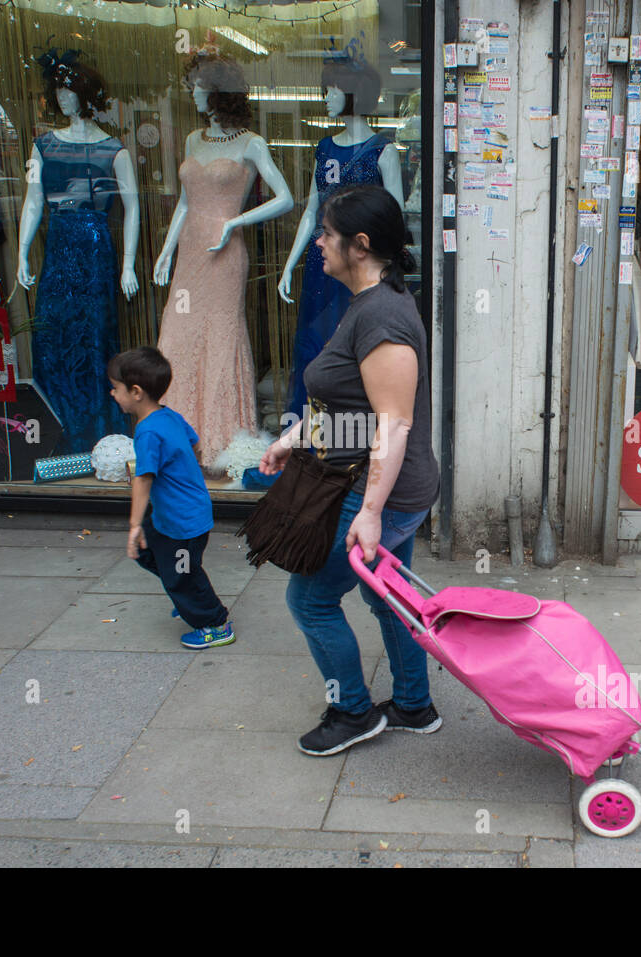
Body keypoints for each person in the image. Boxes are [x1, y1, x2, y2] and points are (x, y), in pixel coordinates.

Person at [259, 184, 441, 756]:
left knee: (309, 601)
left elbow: (391, 423)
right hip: (381, 485)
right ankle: (414, 705)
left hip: (378, 490)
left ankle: (353, 712)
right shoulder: (371, 302)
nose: (317, 243)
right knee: (388, 596)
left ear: (359, 245)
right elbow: (350, 407)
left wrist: (368, 513)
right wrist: (294, 437)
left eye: (326, 234)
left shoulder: (382, 316)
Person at [108, 347, 234, 649]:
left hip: (182, 521)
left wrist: (134, 524)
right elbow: (195, 444)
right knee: (150, 554)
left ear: (136, 392)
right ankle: (188, 597)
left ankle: (214, 624)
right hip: (181, 514)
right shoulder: (169, 416)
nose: (113, 395)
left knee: (183, 573)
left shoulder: (147, 431)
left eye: (116, 389)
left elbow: (143, 478)